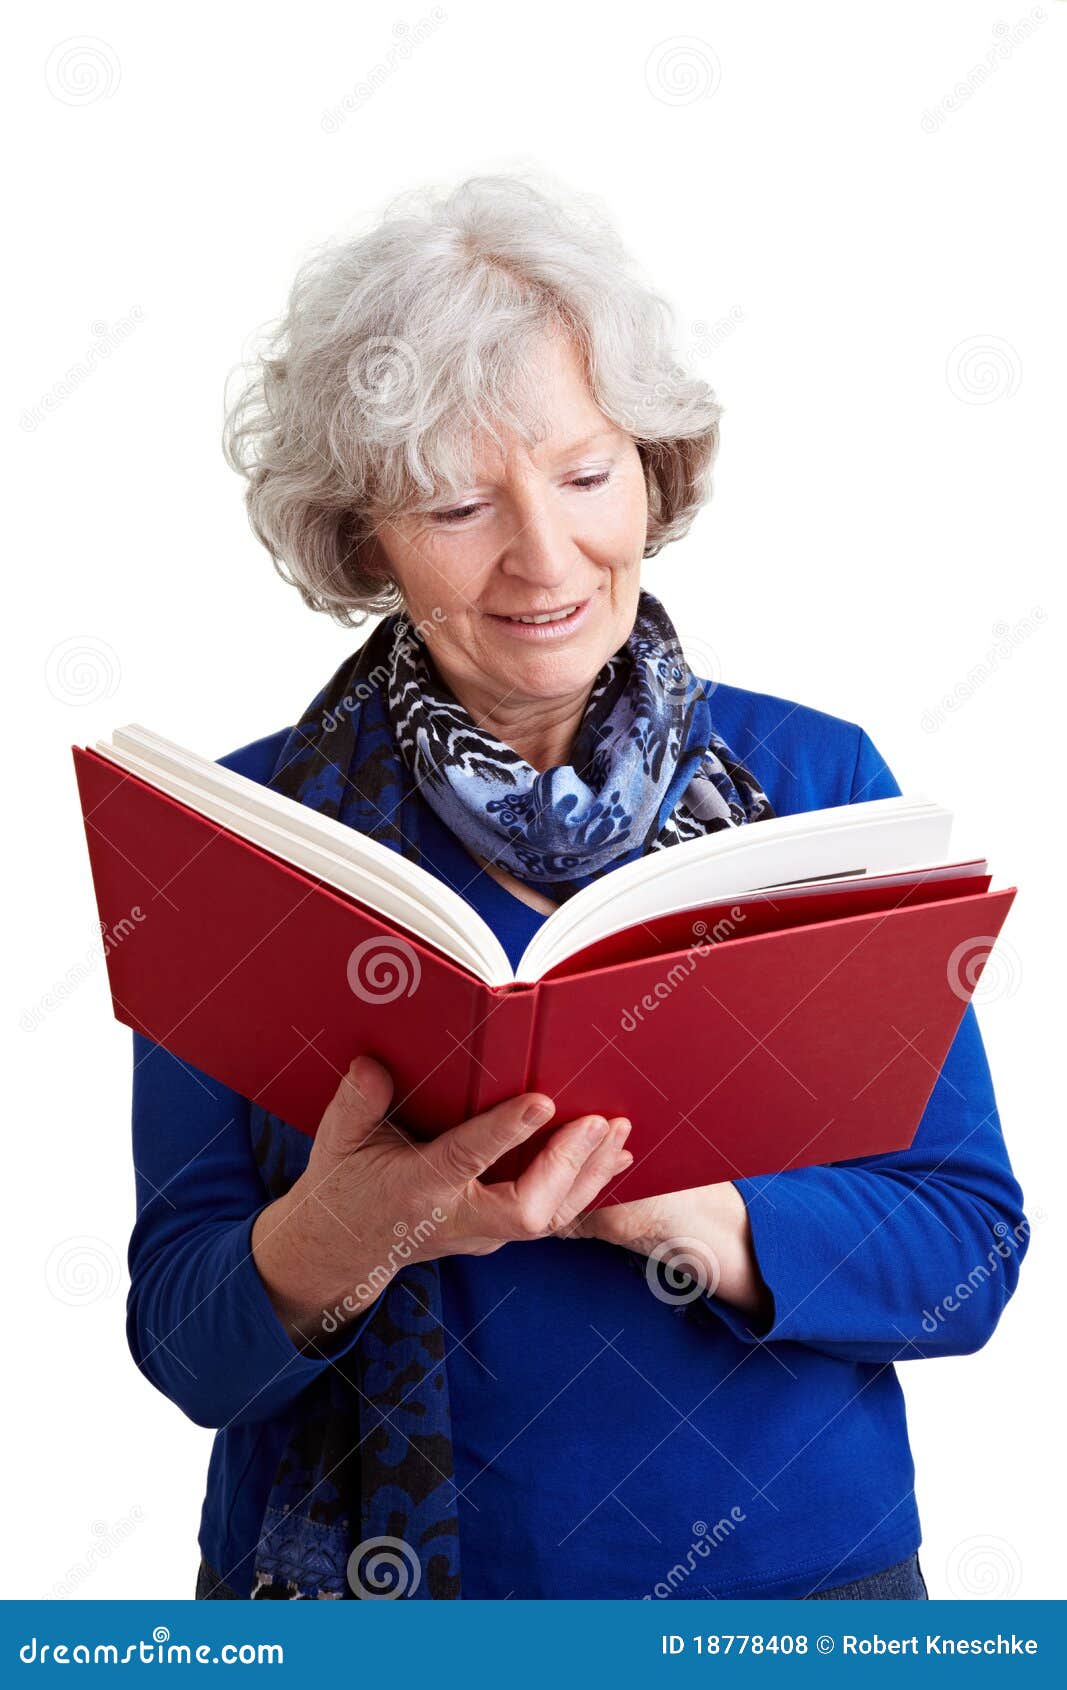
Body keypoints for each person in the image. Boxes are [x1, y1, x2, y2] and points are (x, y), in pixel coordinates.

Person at [126, 176, 1026, 1601]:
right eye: (458, 502)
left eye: (588, 476)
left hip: (791, 1608)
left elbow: (966, 1251)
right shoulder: (245, 837)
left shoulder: (818, 785)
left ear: (654, 472)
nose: (545, 560)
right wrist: (347, 1233)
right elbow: (185, 1344)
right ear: (364, 536)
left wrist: (680, 1213)